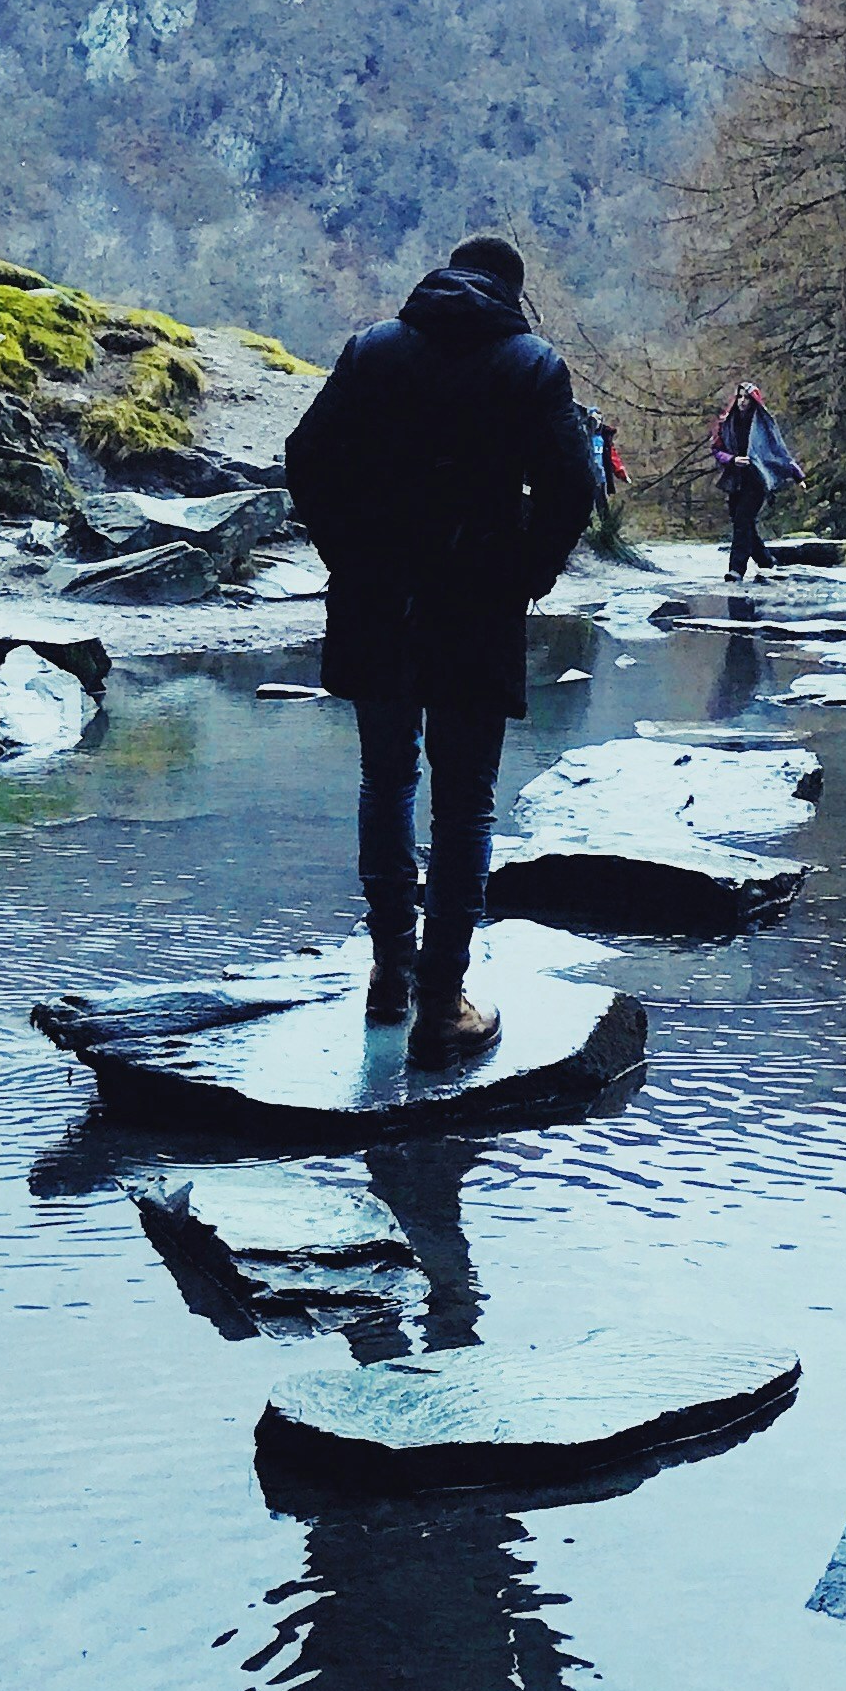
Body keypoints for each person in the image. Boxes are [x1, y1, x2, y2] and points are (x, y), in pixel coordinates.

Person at [285, 231, 595, 1067]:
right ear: (512, 292)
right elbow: (576, 485)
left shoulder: (374, 350)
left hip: (376, 601)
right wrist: (529, 572)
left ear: (446, 277)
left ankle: (387, 975)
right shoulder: (532, 367)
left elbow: (305, 458)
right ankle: (442, 1003)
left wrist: (346, 555)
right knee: (465, 803)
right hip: (477, 607)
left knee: (385, 780)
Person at [711, 379, 802, 581]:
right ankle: (766, 561)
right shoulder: (727, 423)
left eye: (747, 398)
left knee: (743, 521)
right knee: (742, 522)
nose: (743, 401)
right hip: (735, 478)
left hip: (756, 479)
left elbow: (779, 452)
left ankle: (736, 569)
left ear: (754, 401)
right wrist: (733, 460)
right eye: (740, 397)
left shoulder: (763, 424)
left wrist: (797, 475)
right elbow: (717, 450)